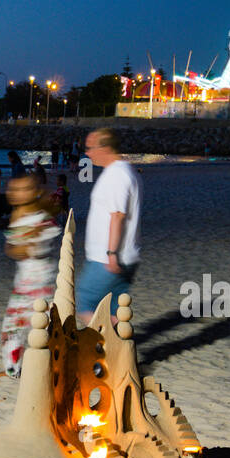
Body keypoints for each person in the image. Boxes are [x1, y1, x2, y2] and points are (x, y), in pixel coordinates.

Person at [0, 174, 60, 378]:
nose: (14, 194)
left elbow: (28, 250)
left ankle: (17, 369)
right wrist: (19, 247)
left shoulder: (39, 217)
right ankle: (14, 367)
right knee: (20, 326)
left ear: (34, 192)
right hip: (25, 281)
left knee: (20, 325)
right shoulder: (18, 215)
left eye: (22, 189)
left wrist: (24, 247)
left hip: (37, 282)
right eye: (12, 189)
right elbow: (13, 249)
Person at [76, 128, 141, 325]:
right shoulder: (124, 170)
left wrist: (111, 255)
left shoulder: (116, 175)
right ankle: (120, 351)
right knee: (113, 312)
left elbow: (118, 216)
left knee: (85, 304)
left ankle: (107, 350)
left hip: (108, 258)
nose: (86, 153)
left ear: (104, 147)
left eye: (89, 148)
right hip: (121, 256)